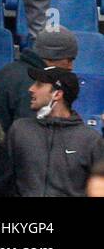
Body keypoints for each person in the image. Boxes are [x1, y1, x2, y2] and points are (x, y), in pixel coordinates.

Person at [7, 67, 104, 196]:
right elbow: (4, 179)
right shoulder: (19, 130)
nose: (31, 89)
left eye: (39, 85)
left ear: (57, 94)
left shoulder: (91, 140)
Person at [0, 28, 76, 131]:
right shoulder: (36, 83)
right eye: (69, 60)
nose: (70, 67)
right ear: (52, 56)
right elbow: (31, 134)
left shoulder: (10, 70)